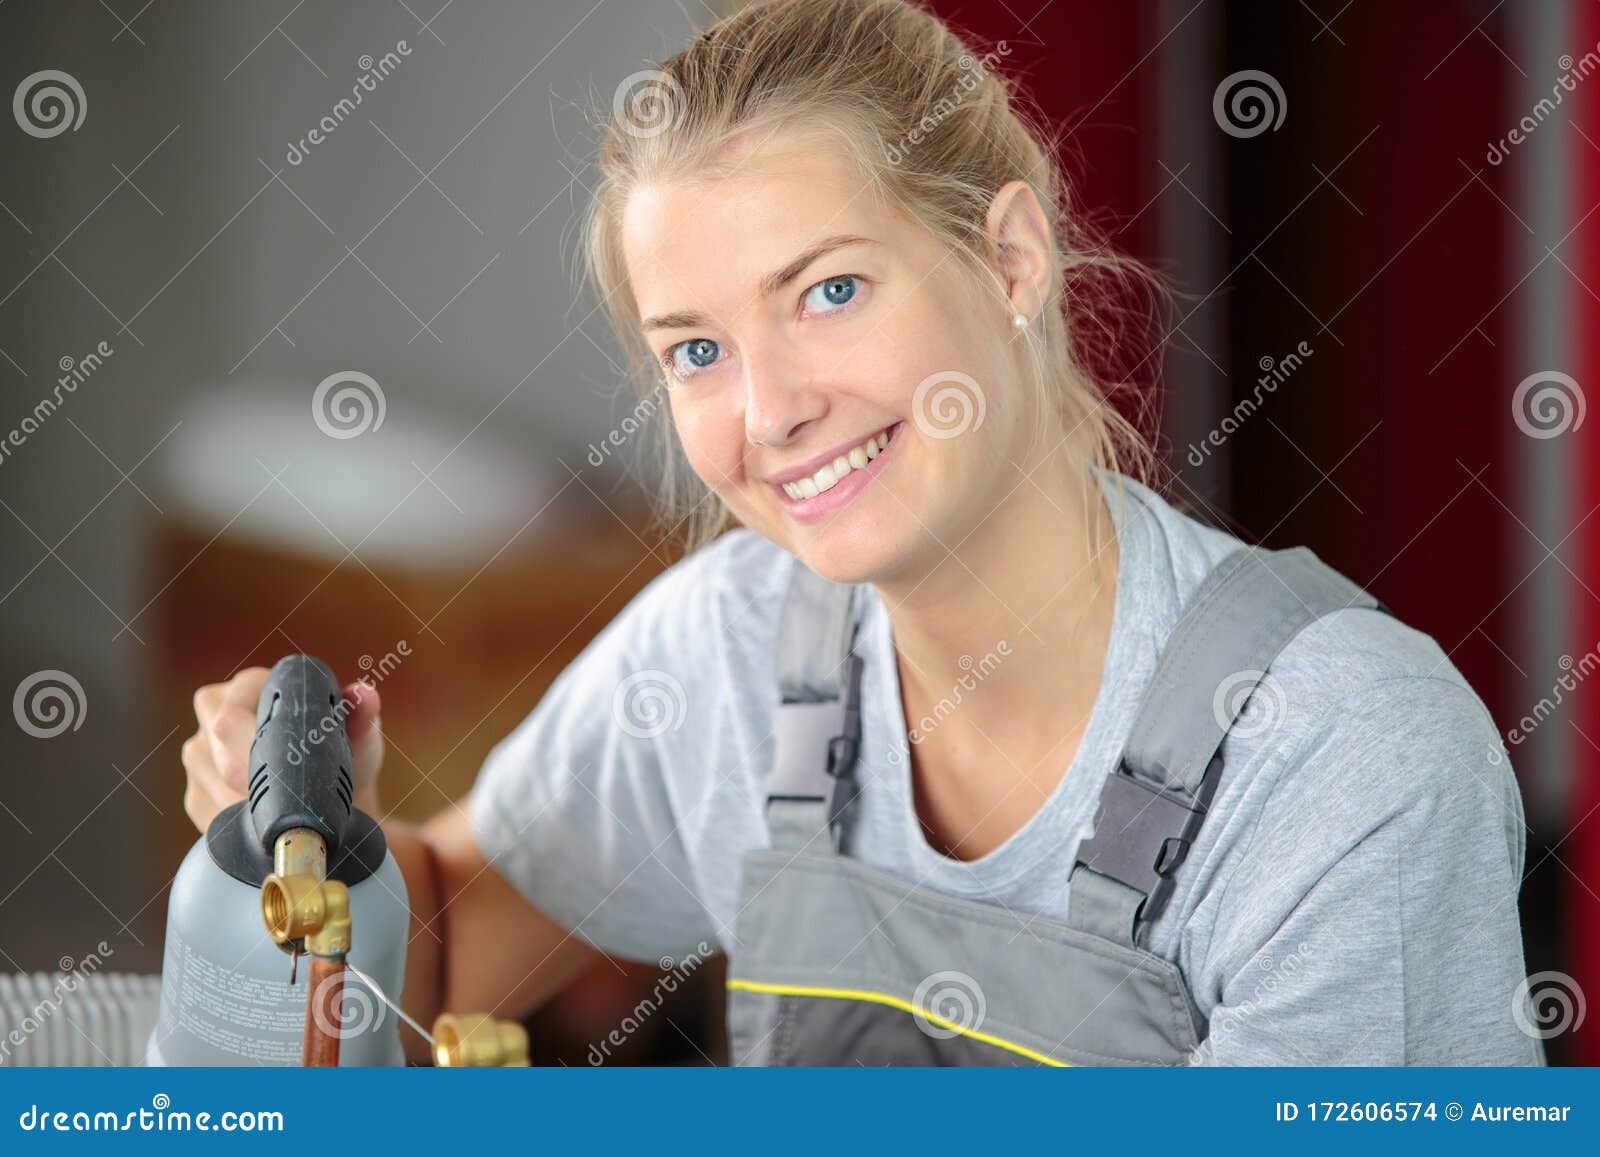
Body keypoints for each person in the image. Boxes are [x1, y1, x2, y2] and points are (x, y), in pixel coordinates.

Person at [181, 0, 1542, 1065]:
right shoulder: (730, 651)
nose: (769, 410)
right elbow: (439, 950)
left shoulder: (1339, 758)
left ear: (1011, 260)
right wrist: (319, 845)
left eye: (830, 290)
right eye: (697, 349)